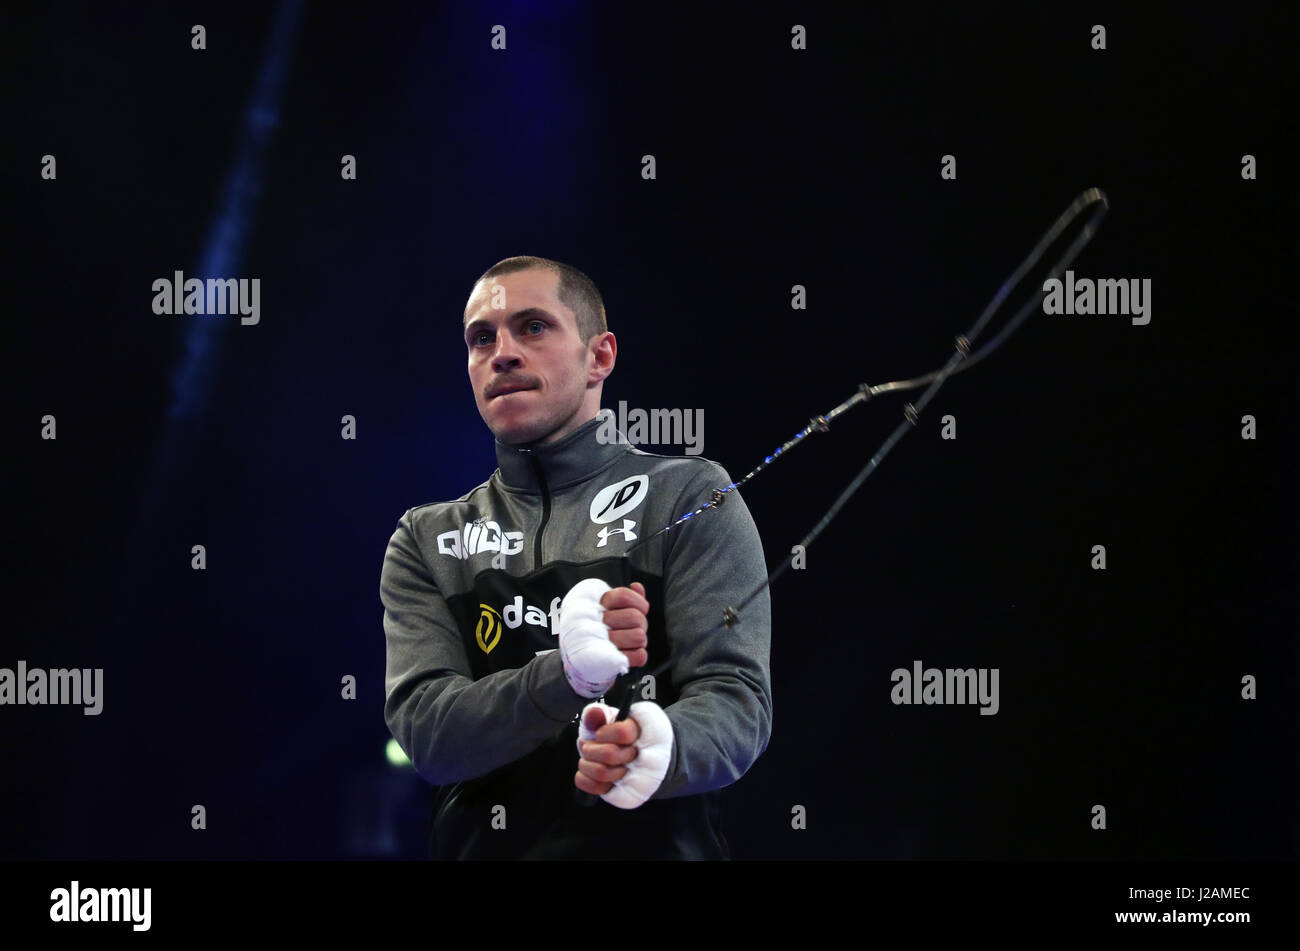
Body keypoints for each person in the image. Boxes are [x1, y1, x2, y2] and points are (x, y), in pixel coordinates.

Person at [380, 255, 772, 859]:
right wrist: (566, 677)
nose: (503, 354)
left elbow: (737, 702)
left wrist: (660, 745)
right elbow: (430, 739)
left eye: (533, 327)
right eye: (482, 338)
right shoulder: (427, 537)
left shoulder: (689, 494)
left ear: (600, 357)